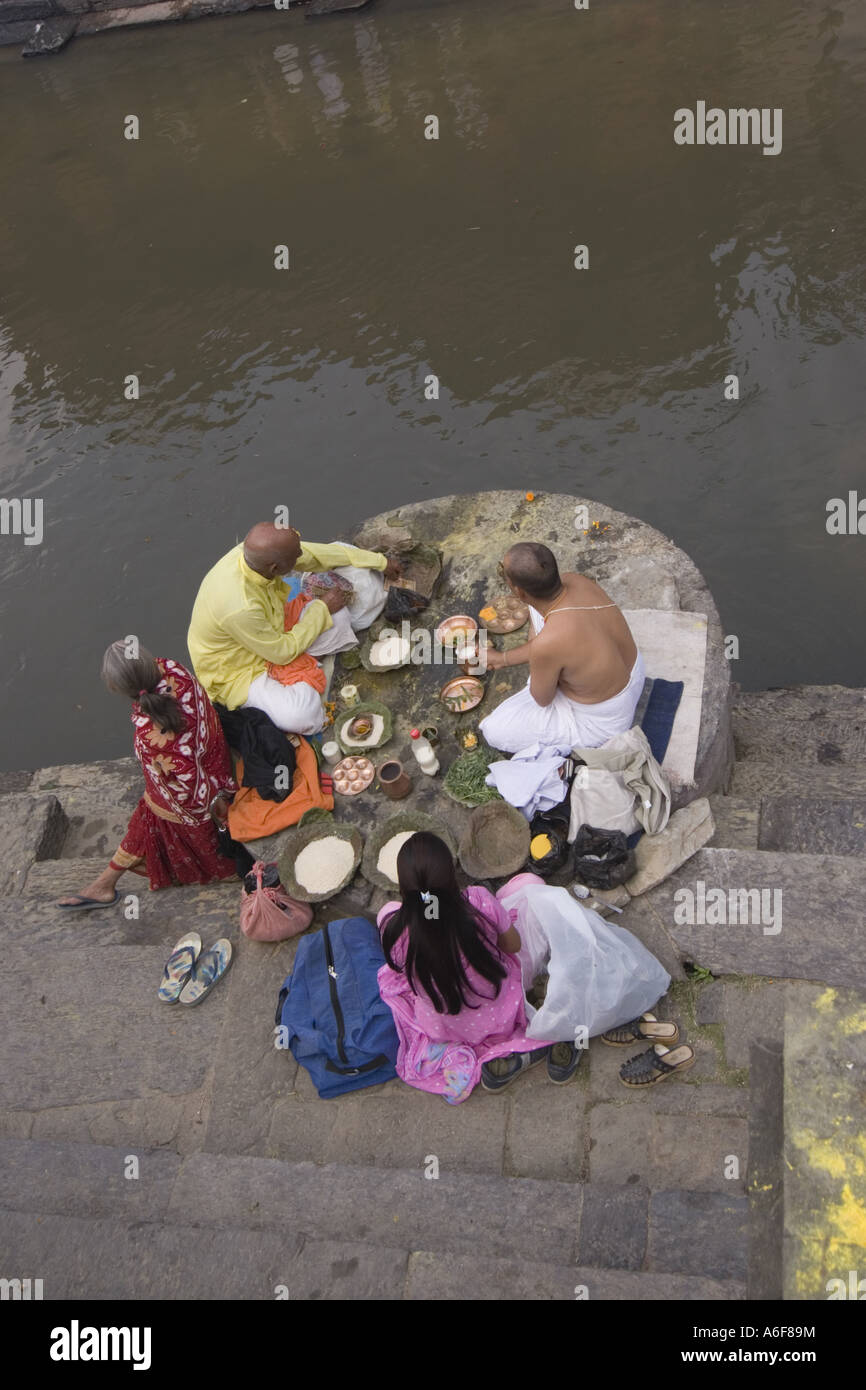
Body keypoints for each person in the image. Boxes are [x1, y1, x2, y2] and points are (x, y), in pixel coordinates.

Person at [376, 832, 567, 1103]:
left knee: (385, 911)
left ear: (405, 888)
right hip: (500, 1013)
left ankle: (462, 1053)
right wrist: (496, 917)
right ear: (450, 875)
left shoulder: (395, 930)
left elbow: (405, 954)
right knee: (529, 883)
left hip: (442, 1026)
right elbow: (512, 946)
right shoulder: (477, 902)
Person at [57, 643, 239, 909]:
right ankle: (104, 884)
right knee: (149, 813)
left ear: (116, 688)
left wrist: (202, 806)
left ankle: (105, 885)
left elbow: (185, 789)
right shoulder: (175, 670)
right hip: (217, 760)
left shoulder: (150, 731)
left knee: (154, 816)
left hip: (203, 793)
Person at [187, 521, 402, 735]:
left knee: (340, 617)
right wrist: (322, 607)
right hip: (241, 669)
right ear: (275, 568)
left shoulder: (255, 556)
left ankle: (298, 673)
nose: (300, 555)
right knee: (301, 717)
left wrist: (379, 562)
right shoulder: (239, 607)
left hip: (272, 630)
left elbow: (316, 555)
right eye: (295, 556)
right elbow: (282, 652)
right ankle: (296, 676)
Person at [479, 542, 645, 755]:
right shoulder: (576, 580)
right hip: (634, 670)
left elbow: (543, 699)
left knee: (494, 729)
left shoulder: (547, 645)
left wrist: (543, 663)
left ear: (518, 591)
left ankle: (554, 669)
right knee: (536, 609)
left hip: (605, 721)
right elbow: (552, 637)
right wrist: (503, 658)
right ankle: (555, 664)